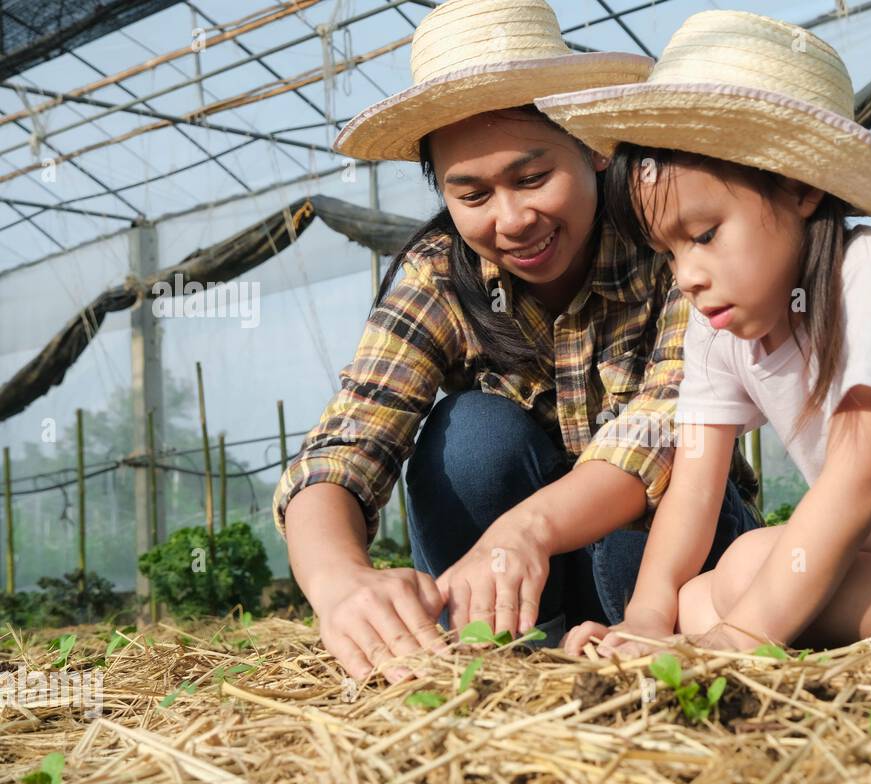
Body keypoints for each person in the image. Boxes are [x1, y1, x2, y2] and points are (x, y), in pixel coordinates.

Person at [541, 10, 871, 662]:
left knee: (748, 571)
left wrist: (735, 643)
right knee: (699, 601)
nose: (687, 276)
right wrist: (650, 615)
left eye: (705, 235)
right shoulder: (719, 327)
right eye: (668, 253)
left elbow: (857, 480)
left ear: (798, 189)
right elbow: (693, 486)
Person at [273, 0, 763, 684]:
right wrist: (341, 584)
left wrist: (525, 530)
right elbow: (349, 442)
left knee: (630, 546)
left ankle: (635, 650)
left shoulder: (670, 239)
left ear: (592, 145)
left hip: (668, 565)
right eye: (472, 195)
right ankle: (501, 654)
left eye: (533, 178)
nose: (512, 219)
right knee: (470, 436)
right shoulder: (440, 273)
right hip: (513, 588)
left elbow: (666, 432)